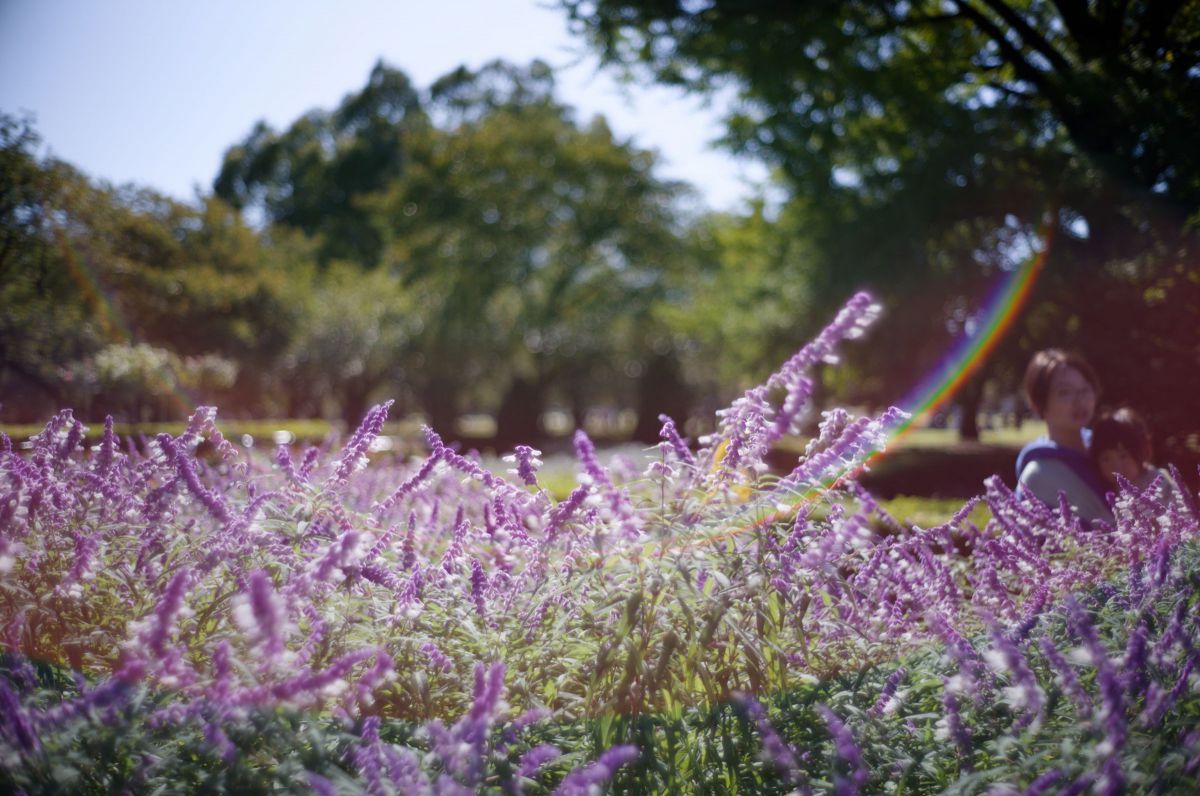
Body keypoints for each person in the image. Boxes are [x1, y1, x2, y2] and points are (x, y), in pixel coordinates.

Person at [1014, 349, 1114, 524]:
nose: (1079, 400)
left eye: (1085, 390)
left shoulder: (1111, 449)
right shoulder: (1038, 476)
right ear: (1038, 403)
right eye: (1065, 392)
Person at [1090, 408, 1174, 502]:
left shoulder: (1159, 483)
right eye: (1106, 459)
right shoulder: (1105, 491)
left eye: (1123, 456)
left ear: (1141, 451)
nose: (1116, 466)